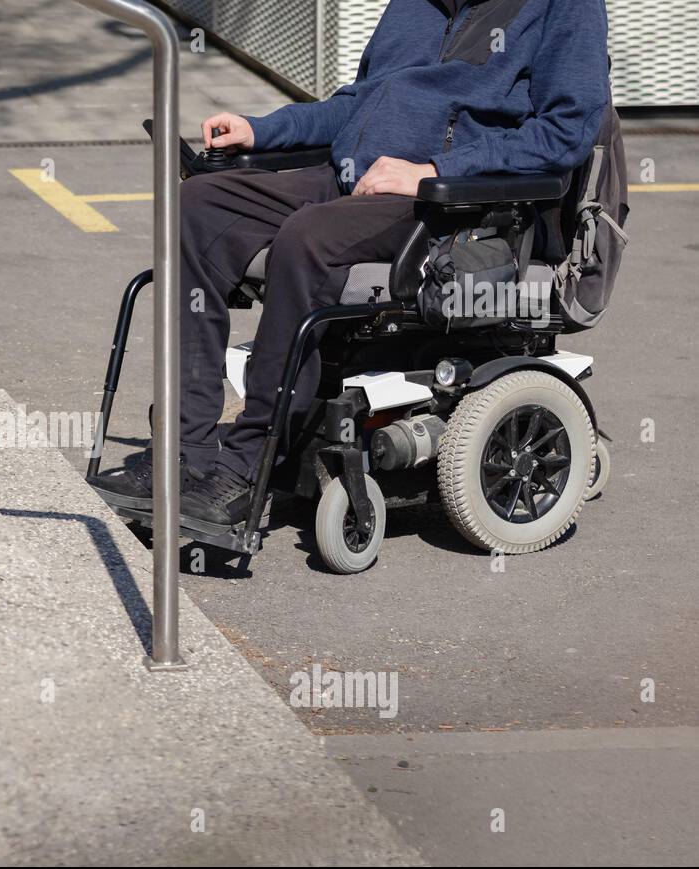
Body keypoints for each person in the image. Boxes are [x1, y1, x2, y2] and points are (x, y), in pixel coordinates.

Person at [88, 0, 610, 533]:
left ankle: (245, 467)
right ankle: (186, 451)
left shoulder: (563, 7)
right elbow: (358, 104)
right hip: (356, 182)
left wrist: (434, 170)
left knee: (307, 238)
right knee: (197, 205)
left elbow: (565, 132)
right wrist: (261, 129)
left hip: (453, 205)